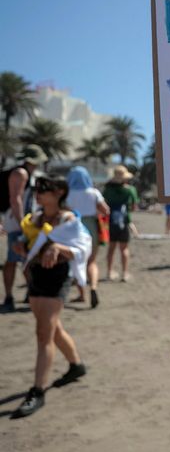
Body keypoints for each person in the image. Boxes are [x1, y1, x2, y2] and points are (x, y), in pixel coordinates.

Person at [11, 176, 92, 418]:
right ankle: (76, 366)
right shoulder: (35, 218)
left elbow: (83, 246)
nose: (38, 193)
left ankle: (38, 390)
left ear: (59, 192)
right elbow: (31, 245)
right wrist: (22, 248)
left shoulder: (68, 219)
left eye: (43, 190)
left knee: (43, 333)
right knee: (52, 328)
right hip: (35, 274)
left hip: (57, 276)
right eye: (36, 189)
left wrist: (59, 248)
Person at [1, 144, 47, 311]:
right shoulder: (20, 173)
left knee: (26, 258)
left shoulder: (28, 174)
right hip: (17, 223)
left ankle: (30, 293)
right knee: (14, 258)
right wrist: (23, 224)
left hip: (24, 222)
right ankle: (9, 297)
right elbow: (16, 199)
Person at [66, 166, 109, 308]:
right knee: (91, 261)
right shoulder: (93, 192)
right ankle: (94, 287)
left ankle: (81, 294)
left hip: (72, 227)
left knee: (77, 262)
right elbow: (105, 210)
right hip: (91, 226)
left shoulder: (67, 194)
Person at [103, 165, 138, 282]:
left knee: (111, 248)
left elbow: (104, 206)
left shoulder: (107, 190)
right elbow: (134, 207)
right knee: (124, 249)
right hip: (124, 221)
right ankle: (124, 273)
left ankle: (109, 272)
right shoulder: (130, 190)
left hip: (111, 223)